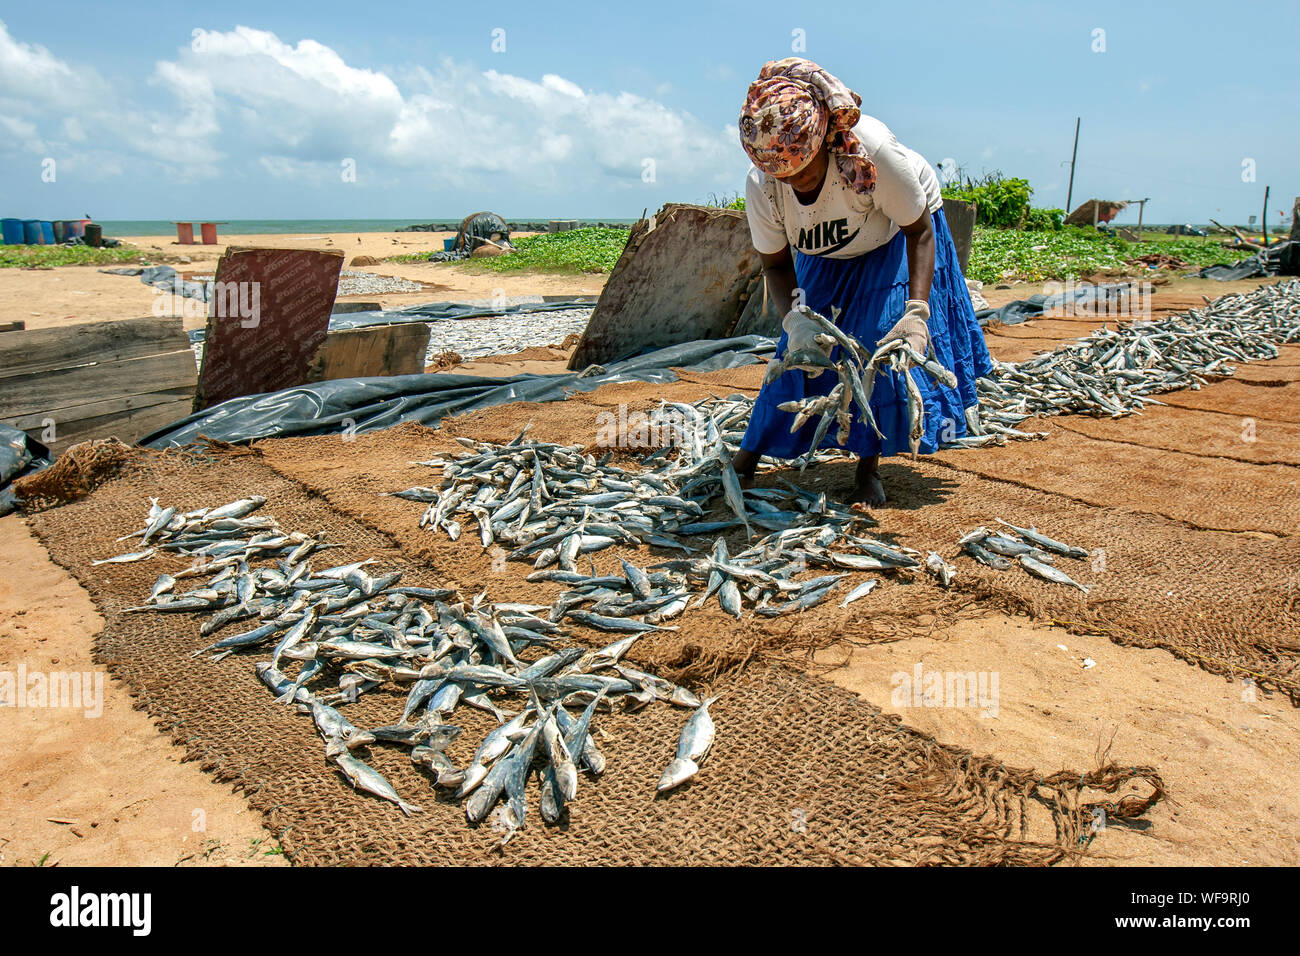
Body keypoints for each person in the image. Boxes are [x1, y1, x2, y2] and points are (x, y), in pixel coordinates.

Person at [730, 58, 992, 506]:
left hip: (896, 235)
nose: (794, 181)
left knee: (877, 344)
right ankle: (749, 457)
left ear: (822, 146)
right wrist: (795, 321)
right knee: (799, 356)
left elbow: (919, 232)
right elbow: (776, 265)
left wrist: (917, 313)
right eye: (782, 175)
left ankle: (867, 468)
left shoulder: (872, 153)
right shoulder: (766, 182)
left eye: (804, 171)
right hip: (824, 252)